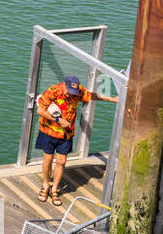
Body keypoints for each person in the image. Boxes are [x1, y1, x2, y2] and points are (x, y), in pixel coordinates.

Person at [36, 75, 117, 207]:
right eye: (70, 91)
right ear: (65, 85)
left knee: (61, 161)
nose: (72, 95)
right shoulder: (53, 91)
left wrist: (112, 99)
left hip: (66, 134)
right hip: (48, 131)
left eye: (75, 92)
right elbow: (40, 110)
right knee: (48, 159)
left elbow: (91, 95)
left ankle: (54, 189)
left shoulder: (77, 91)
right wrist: (58, 120)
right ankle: (45, 185)